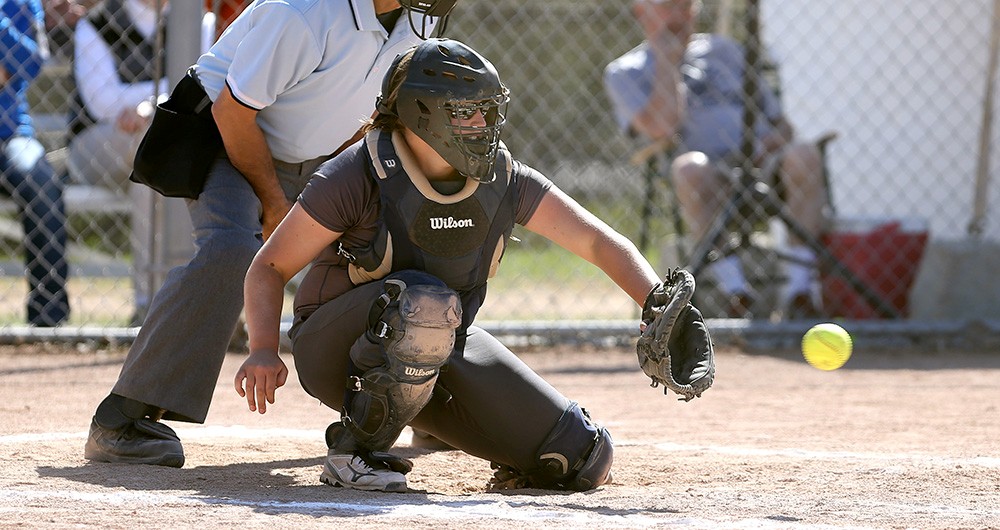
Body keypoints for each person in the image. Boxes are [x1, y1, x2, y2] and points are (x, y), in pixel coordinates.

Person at [234, 38, 712, 493]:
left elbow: (597, 241)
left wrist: (657, 302)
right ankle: (354, 451)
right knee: (423, 303)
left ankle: (430, 416)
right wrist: (262, 349)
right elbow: (268, 266)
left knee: (579, 457)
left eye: (487, 109)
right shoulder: (359, 173)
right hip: (334, 352)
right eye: (465, 111)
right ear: (419, 114)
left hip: (439, 339)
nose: (482, 122)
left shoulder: (501, 177)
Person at [83, 0, 458, 468]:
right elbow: (232, 113)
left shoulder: (419, 16)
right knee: (232, 248)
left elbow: (368, 115)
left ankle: (417, 402)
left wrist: (345, 194)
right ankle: (122, 417)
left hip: (316, 153)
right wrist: (277, 202)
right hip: (225, 137)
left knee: (406, 243)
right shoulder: (302, 12)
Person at [604, 0, 828, 319]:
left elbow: (783, 125)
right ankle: (736, 295)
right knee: (689, 168)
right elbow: (663, 126)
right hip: (710, 175)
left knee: (804, 155)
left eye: (685, 5)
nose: (678, 15)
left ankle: (800, 293)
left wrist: (772, 142)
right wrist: (666, 61)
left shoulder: (725, 52)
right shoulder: (627, 72)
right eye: (667, 5)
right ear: (642, 11)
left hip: (764, 165)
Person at [67, 0, 215, 320]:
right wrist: (171, 95)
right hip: (97, 144)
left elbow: (207, 85)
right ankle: (152, 302)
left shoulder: (197, 20)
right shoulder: (97, 22)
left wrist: (149, 107)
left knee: (154, 153)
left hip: (156, 141)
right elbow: (102, 103)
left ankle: (166, 304)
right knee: (154, 147)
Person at [1, 0, 70, 326]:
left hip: (10, 134)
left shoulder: (22, 3)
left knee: (41, 180)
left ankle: (48, 316)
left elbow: (32, 62)